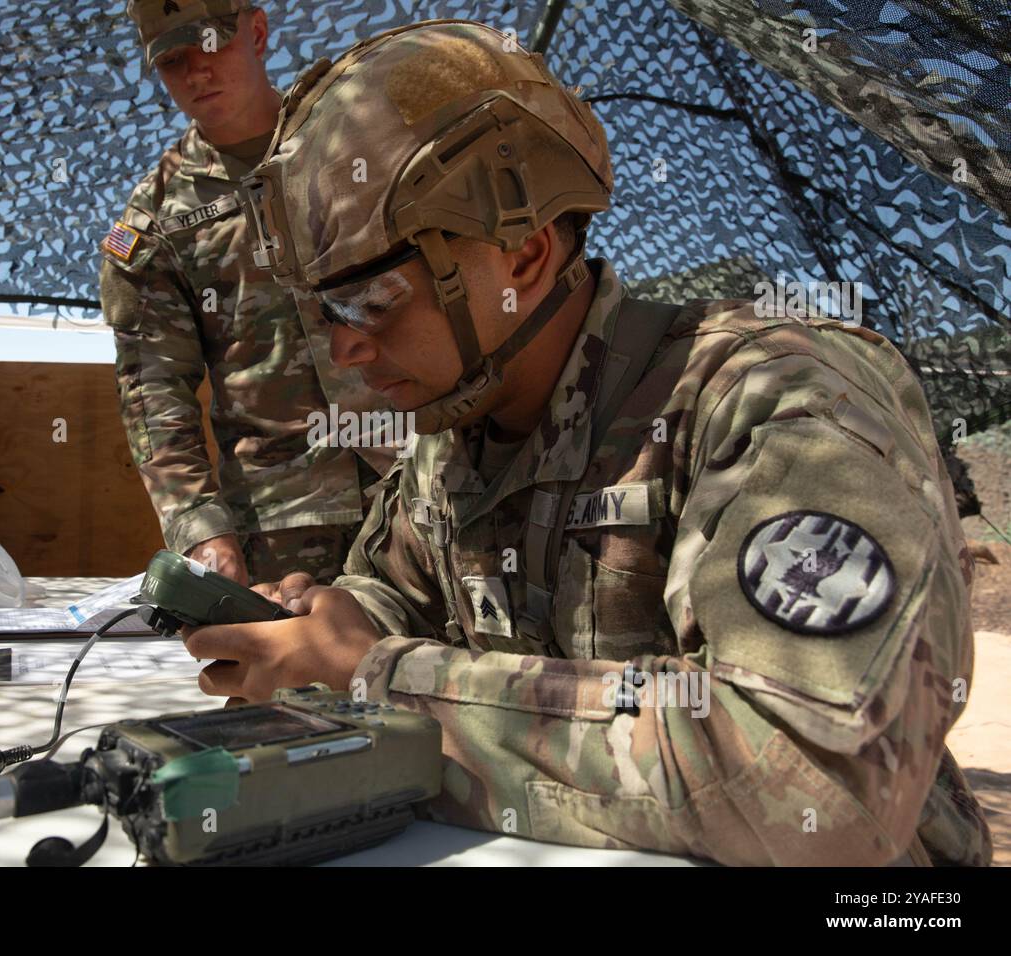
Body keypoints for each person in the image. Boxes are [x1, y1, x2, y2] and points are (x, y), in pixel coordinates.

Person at [181, 19, 993, 866]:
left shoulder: (774, 402)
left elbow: (814, 786)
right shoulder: (454, 435)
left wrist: (378, 677)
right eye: (325, 313)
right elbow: (394, 601)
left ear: (523, 256)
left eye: (371, 302)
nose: (344, 349)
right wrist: (326, 630)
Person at [99, 0, 393, 586]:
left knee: (435, 673)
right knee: (293, 676)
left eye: (210, 43)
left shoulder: (362, 150)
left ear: (256, 32)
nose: (196, 72)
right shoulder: (156, 219)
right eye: (172, 60)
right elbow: (153, 387)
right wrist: (198, 525)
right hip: (283, 526)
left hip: (419, 486)